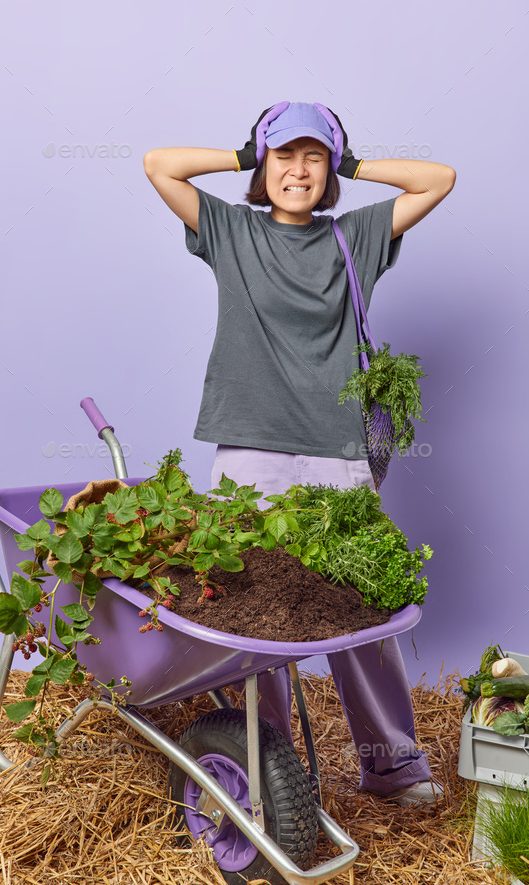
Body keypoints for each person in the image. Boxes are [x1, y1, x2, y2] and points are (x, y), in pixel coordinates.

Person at [143, 102, 456, 806]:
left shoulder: (358, 236)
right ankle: (266, 770)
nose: (299, 169)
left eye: (315, 157)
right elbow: (158, 164)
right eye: (285, 155)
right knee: (251, 620)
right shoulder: (230, 231)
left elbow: (438, 179)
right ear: (263, 164)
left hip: (338, 453)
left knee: (363, 615)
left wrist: (354, 161)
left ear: (331, 170)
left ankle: (393, 768)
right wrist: (241, 154)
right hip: (250, 454)